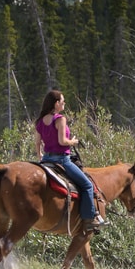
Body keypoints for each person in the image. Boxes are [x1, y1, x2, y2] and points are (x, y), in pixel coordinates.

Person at [35, 89, 107, 234]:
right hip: (62, 160)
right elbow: (62, 141)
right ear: (56, 104)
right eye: (62, 101)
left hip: (46, 159)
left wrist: (40, 155)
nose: (64, 103)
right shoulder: (60, 119)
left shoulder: (40, 121)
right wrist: (73, 142)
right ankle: (89, 219)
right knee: (87, 185)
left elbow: (37, 142)